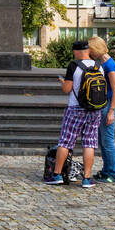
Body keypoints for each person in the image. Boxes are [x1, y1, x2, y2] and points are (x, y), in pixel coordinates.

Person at [45, 40, 104, 188]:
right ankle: (87, 178)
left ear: (77, 52)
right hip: (95, 109)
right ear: (88, 50)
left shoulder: (74, 66)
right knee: (89, 143)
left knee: (65, 141)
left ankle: (57, 174)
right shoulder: (99, 66)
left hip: (75, 109)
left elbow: (67, 89)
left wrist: (63, 82)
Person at [89, 36, 115, 183]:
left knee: (108, 141)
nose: (90, 53)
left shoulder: (110, 65)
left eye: (91, 50)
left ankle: (113, 174)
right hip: (104, 105)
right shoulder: (103, 62)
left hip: (109, 105)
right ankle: (107, 170)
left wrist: (111, 111)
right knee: (103, 141)